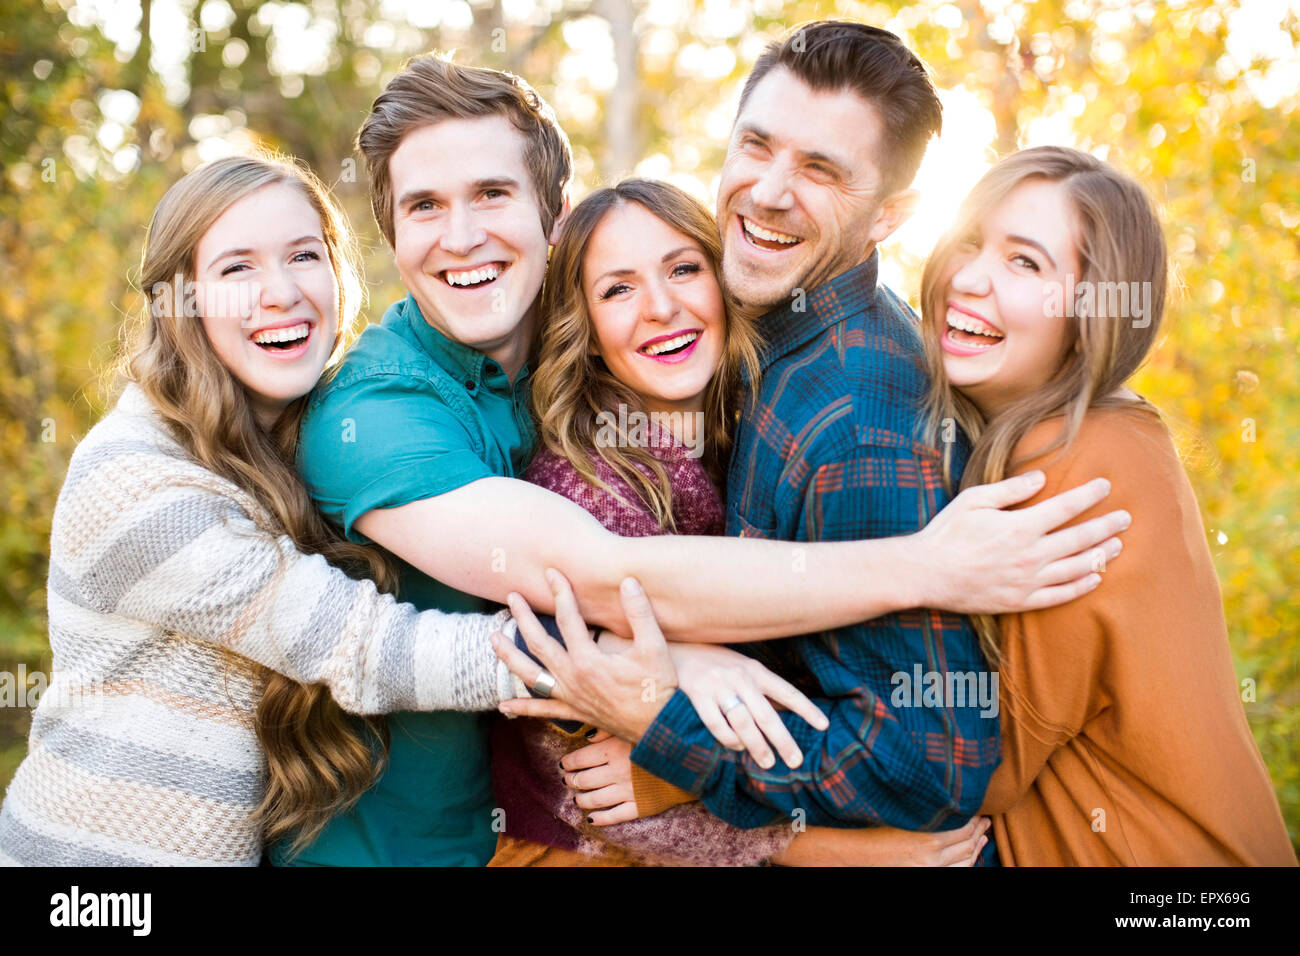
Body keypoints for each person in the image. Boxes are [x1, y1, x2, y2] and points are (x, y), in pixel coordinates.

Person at [291, 51, 1130, 866]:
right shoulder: (376, 412)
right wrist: (925, 569)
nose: (463, 236)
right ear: (390, 232)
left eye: (492, 194)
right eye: (425, 206)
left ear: (553, 216)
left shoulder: (717, 386)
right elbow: (596, 584)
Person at [0, 152, 537, 866]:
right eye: (237, 269)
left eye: (303, 256)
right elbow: (362, 645)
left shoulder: (302, 435)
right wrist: (613, 672)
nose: (280, 292)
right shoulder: (133, 481)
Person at [488, 178, 990, 866]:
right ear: (588, 334)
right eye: (618, 290)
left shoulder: (749, 431)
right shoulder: (587, 490)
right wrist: (850, 853)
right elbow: (602, 791)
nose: (662, 307)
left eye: (683, 269)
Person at [911, 145, 1294, 865]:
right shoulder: (1099, 433)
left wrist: (669, 749)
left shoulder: (1073, 460)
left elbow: (973, 765)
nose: (969, 278)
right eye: (969, 241)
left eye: (1024, 263)